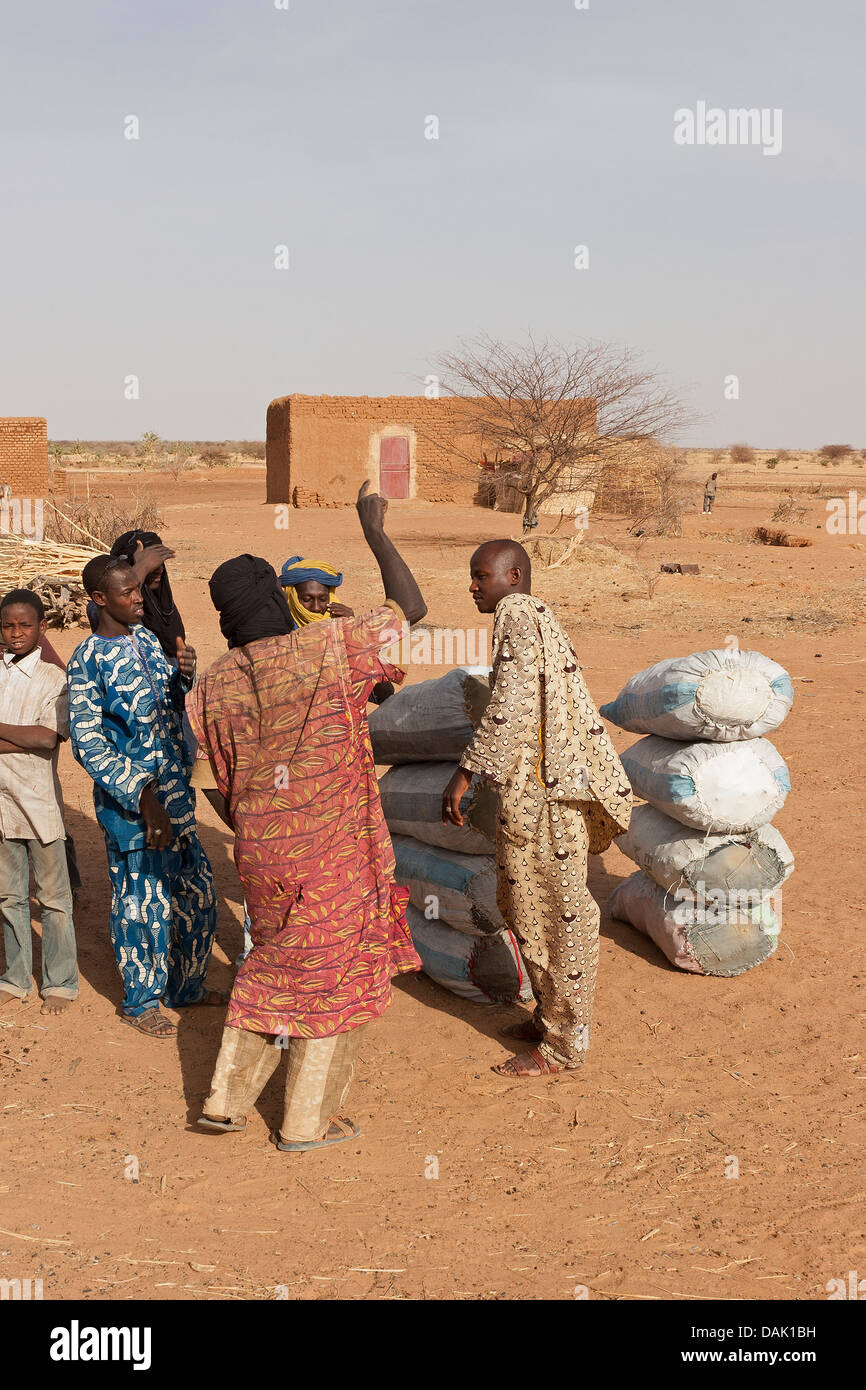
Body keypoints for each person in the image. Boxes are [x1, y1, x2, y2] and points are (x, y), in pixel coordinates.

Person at [191, 483, 425, 1152]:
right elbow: (410, 609)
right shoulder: (327, 649)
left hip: (262, 854)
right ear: (276, 602)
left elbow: (217, 783)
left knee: (271, 965)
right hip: (334, 857)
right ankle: (304, 1122)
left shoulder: (213, 682)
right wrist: (374, 529)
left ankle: (227, 1101)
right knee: (333, 979)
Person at [442, 540, 632, 1079]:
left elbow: (512, 702)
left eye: (481, 575)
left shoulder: (516, 612)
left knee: (557, 914)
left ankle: (564, 1047)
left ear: (514, 575)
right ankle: (550, 1017)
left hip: (548, 797)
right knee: (526, 903)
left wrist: (466, 770)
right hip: (540, 791)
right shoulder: (534, 614)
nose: (473, 586)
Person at [67, 555, 222, 1038]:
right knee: (142, 904)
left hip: (177, 801)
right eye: (129, 591)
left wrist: (183, 675)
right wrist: (142, 795)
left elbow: (170, 710)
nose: (140, 597)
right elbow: (88, 742)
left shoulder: (149, 641)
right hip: (133, 811)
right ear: (100, 599)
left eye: (139, 588)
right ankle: (142, 1002)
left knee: (195, 896)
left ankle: (186, 987)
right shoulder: (86, 660)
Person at [0, 590, 78, 1016]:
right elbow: (29, 737)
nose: (16, 633)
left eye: (25, 625)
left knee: (53, 899)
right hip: (2, 806)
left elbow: (48, 738)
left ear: (41, 628)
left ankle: (61, 983)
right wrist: (20, 736)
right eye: (8, 625)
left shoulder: (54, 678)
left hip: (39, 805)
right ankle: (14, 977)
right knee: (8, 897)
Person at [279, 556, 354, 628]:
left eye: (323, 599)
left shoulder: (340, 619)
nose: (316, 608)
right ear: (292, 596)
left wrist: (352, 623)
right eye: (306, 599)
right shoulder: (278, 625)